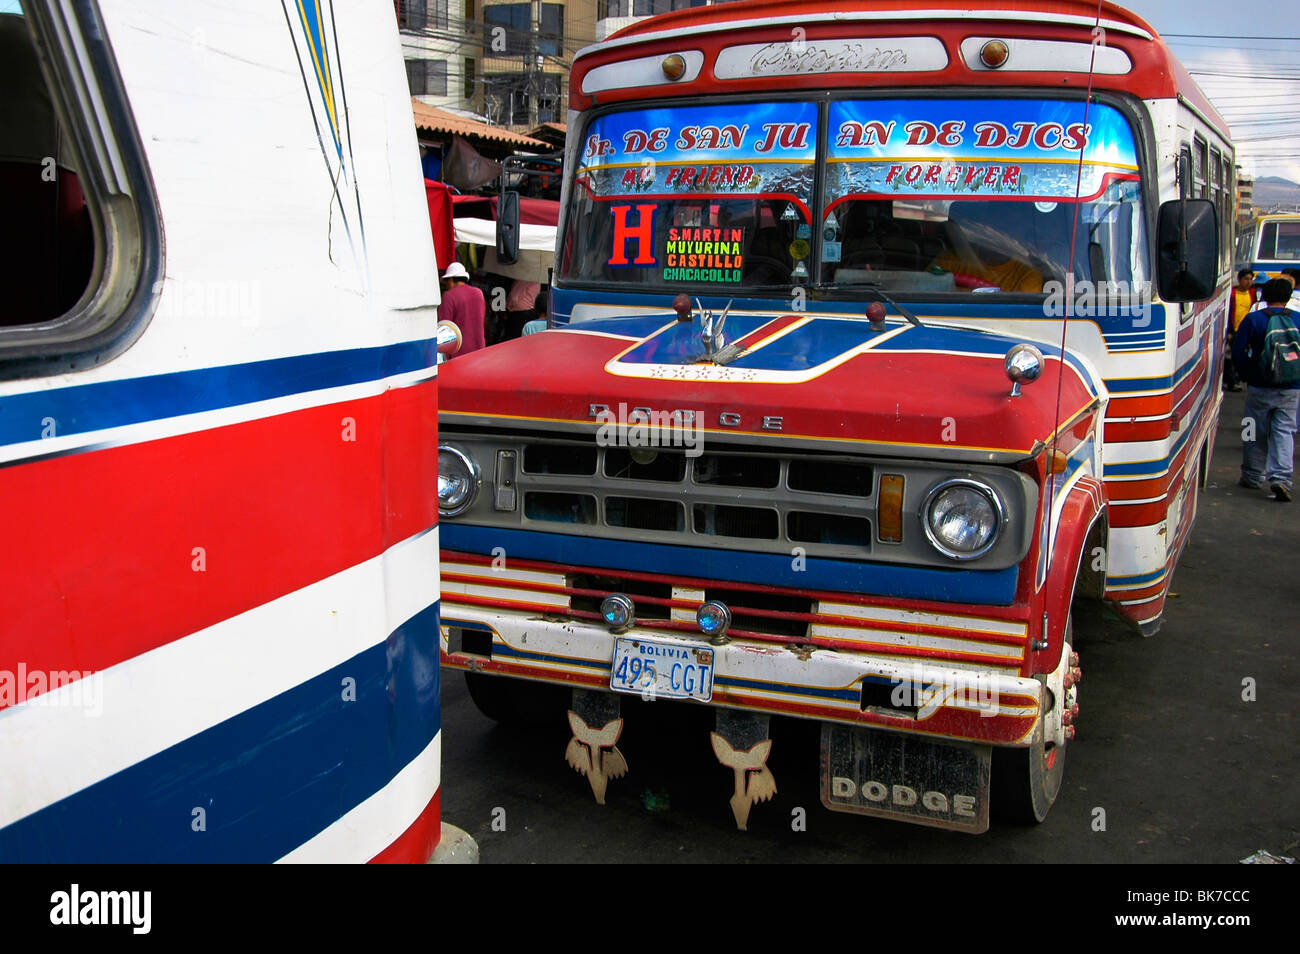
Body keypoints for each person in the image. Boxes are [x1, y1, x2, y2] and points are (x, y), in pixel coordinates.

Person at [1232, 278, 1300, 501]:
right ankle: (1281, 477)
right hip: (1291, 387)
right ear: (1288, 298)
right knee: (1285, 430)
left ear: (1264, 296)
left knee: (1251, 428)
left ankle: (1252, 475)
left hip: (1260, 385)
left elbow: (1239, 351)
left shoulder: (1254, 319)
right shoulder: (1297, 319)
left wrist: (1245, 375)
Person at [439, 261, 485, 355]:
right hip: (479, 349)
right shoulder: (478, 293)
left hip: (458, 353)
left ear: (451, 280)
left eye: (446, 282)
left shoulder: (449, 296)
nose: (446, 286)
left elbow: (444, 328)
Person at [1225, 268, 1257, 391]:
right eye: (1246, 279)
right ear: (1239, 279)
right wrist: (1229, 331)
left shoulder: (1252, 293)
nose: (1248, 282)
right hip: (1234, 329)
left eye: (1250, 279)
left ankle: (1238, 378)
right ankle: (1233, 381)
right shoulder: (1232, 293)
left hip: (1247, 329)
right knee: (1231, 356)